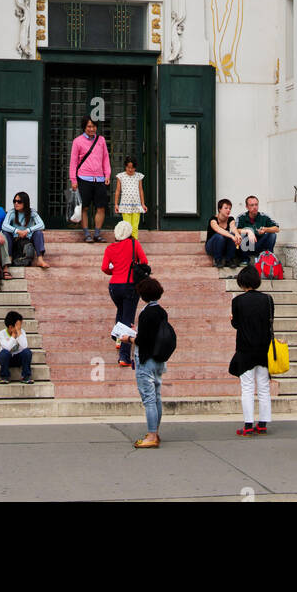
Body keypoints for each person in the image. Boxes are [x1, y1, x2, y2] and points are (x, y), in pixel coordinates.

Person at [229, 263, 273, 436]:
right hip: (263, 347)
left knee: (247, 387)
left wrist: (233, 320)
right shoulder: (268, 299)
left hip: (245, 348)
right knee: (263, 386)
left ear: (242, 282)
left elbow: (236, 324)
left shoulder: (237, 301)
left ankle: (248, 423)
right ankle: (263, 422)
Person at [101, 220, 148, 366]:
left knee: (121, 311)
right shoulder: (134, 245)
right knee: (128, 319)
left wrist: (114, 270)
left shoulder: (110, 248)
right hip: (130, 285)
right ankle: (124, 356)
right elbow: (144, 262)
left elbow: (104, 268)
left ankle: (117, 338)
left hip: (114, 286)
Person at [132, 276, 168, 448]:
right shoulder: (162, 312)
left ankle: (152, 435)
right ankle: (155, 431)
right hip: (159, 358)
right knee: (157, 397)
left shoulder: (146, 313)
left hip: (145, 358)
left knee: (148, 399)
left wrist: (129, 338)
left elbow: (142, 340)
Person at [69, 113, 111, 243]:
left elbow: (105, 158)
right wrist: (73, 180)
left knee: (101, 207)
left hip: (99, 180)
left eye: (93, 126)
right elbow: (73, 162)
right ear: (84, 127)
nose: (91, 129)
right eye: (89, 126)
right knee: (84, 208)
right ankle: (87, 233)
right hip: (84, 179)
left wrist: (107, 174)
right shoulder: (77, 141)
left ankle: (97, 233)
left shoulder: (101, 140)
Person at [2, 192, 50, 268]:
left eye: (19, 201)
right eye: (14, 201)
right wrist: (17, 231)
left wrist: (27, 230)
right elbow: (4, 225)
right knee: (5, 233)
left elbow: (42, 225)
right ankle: (9, 258)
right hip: (15, 240)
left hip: (28, 240)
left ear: (25, 202)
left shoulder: (32, 212)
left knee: (38, 233)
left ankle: (40, 260)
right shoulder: (12, 212)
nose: (16, 203)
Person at [236, 195, 280, 261]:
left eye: (256, 205)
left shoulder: (264, 216)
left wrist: (265, 229)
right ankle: (244, 258)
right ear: (247, 207)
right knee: (241, 234)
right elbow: (236, 230)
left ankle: (268, 257)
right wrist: (248, 231)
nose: (255, 207)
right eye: (252, 205)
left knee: (272, 235)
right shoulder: (241, 217)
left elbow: (277, 228)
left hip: (259, 245)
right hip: (247, 246)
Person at [0, 310, 33, 384]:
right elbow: (7, 348)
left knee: (27, 352)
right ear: (10, 327)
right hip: (7, 359)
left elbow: (25, 346)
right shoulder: (2, 333)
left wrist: (19, 333)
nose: (20, 327)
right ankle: (5, 377)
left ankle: (26, 376)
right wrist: (13, 336)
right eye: (18, 325)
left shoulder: (21, 331)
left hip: (19, 359)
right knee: (4, 353)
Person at [114, 157, 146, 238]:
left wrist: (143, 204)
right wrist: (116, 204)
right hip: (125, 205)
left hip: (136, 205)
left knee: (135, 227)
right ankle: (127, 246)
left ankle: (135, 245)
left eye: (132, 168)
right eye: (128, 167)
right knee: (127, 228)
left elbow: (141, 190)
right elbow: (117, 191)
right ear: (125, 166)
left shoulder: (138, 176)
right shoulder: (121, 176)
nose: (130, 170)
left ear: (135, 167)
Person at [205, 198, 242, 267]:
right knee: (219, 236)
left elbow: (233, 227)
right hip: (212, 247)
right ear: (220, 209)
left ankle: (229, 260)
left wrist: (237, 235)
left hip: (223, 246)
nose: (228, 210)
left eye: (230, 208)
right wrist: (232, 236)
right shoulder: (213, 219)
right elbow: (218, 230)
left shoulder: (230, 219)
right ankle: (218, 260)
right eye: (226, 208)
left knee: (233, 234)